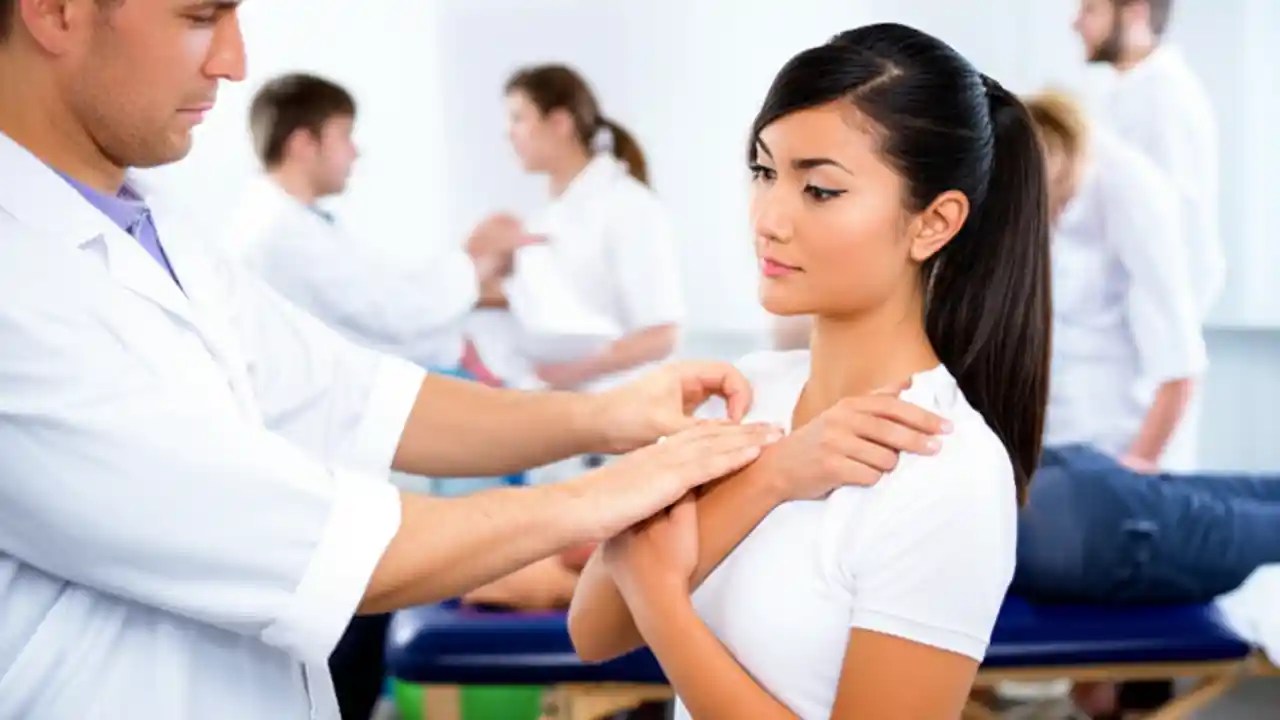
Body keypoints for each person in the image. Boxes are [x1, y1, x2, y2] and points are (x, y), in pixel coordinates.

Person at [0, 2, 831, 717]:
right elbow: (320, 546)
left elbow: (359, 396)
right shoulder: (19, 283)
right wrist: (610, 491)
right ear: (54, 10)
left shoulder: (152, 223)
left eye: (820, 187)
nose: (235, 58)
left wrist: (606, 416)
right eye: (198, 15)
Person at [568, 22, 1052, 719]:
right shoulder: (747, 390)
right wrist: (771, 477)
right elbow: (593, 629)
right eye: (763, 172)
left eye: (819, 189)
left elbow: (640, 587)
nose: (767, 218)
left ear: (933, 223)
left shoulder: (945, 467)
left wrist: (663, 605)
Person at [228, 73, 524, 372]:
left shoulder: (294, 222)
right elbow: (394, 312)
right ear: (304, 144)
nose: (355, 152)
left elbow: (386, 294)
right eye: (344, 135)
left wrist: (470, 274)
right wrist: (475, 260)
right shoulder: (281, 233)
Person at [469, 63, 684, 395]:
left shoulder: (629, 206)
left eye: (518, 118)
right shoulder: (544, 221)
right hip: (561, 412)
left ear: (559, 123)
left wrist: (564, 375)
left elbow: (662, 334)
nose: (509, 133)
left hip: (618, 410)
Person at [1026, 89, 1204, 473]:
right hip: (1061, 441)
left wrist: (1136, 465)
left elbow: (1181, 366)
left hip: (1119, 446)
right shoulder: (1059, 195)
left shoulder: (1132, 192)